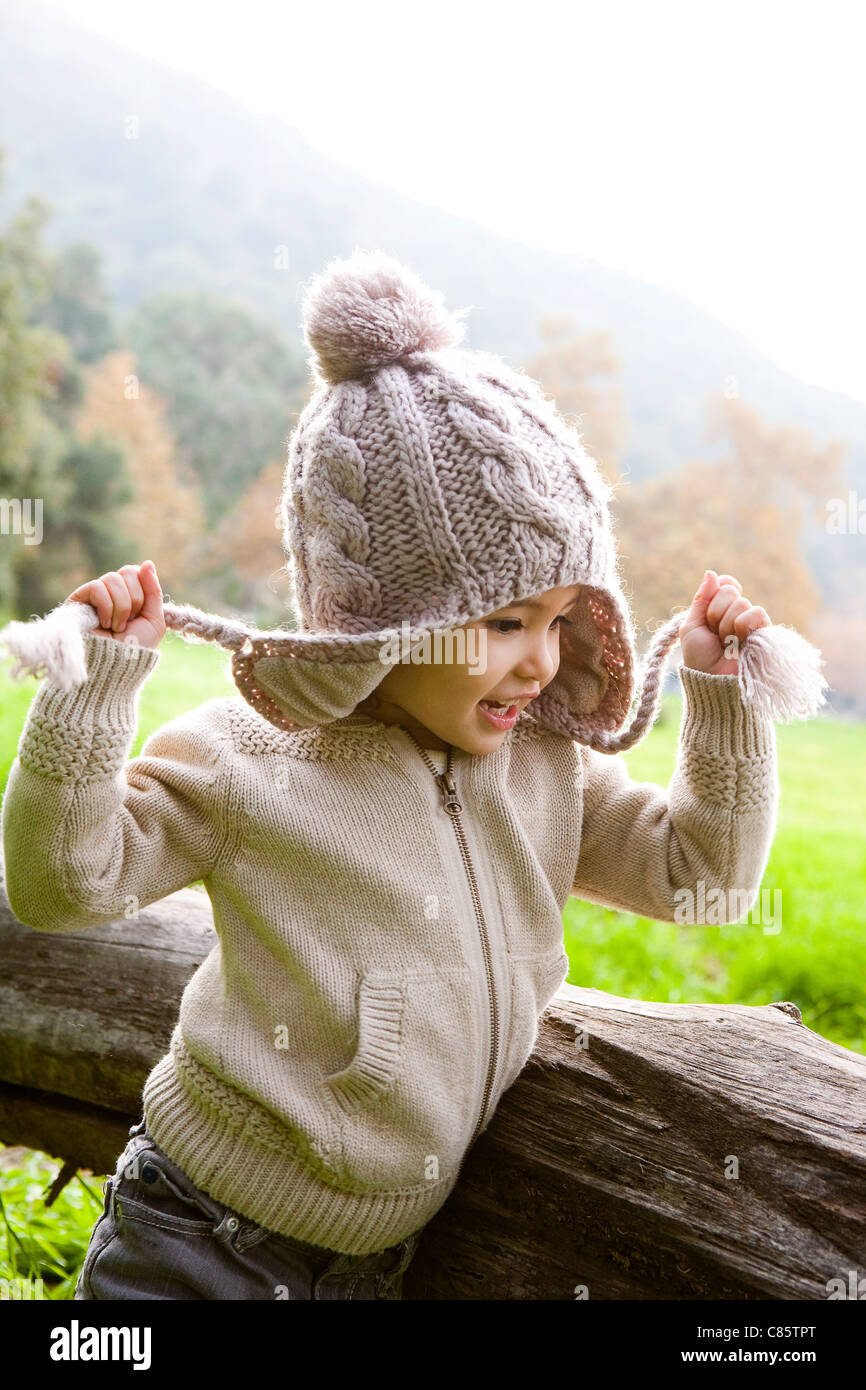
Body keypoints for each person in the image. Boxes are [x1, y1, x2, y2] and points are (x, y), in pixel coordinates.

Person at [0, 249, 827, 1300]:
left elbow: (694, 876)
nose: (539, 660)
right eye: (501, 622)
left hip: (383, 1261)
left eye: (560, 617)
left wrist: (720, 705)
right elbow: (61, 886)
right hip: (201, 1241)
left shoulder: (544, 768)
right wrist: (94, 687)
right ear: (391, 627)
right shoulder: (249, 758)